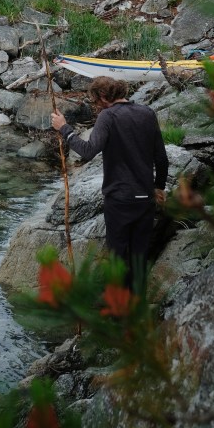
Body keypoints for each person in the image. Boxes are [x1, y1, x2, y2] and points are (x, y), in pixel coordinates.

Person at [51, 76, 169, 292]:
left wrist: (64, 129)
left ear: (104, 97)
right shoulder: (147, 113)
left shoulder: (108, 116)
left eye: (95, 102)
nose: (96, 107)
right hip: (145, 199)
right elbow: (161, 158)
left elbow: (88, 150)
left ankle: (118, 315)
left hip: (119, 200)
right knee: (139, 260)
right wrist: (158, 187)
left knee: (117, 261)